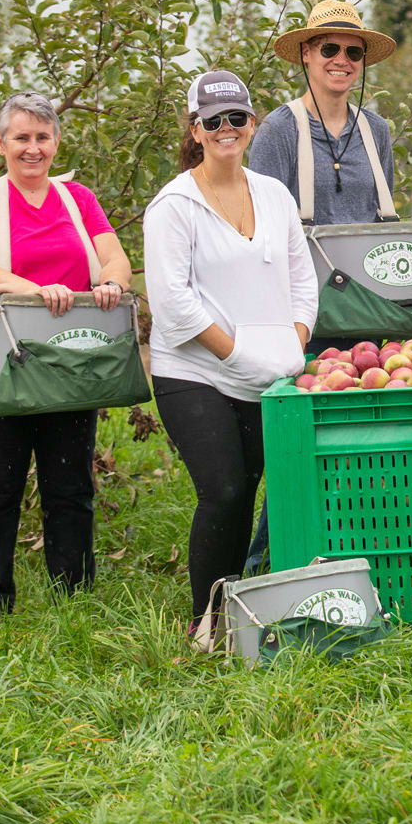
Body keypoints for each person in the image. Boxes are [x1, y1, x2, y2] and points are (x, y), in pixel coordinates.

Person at [143, 71, 317, 638]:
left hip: (268, 371)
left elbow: (302, 280)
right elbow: (174, 307)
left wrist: (290, 345)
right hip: (194, 372)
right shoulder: (174, 205)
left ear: (251, 123)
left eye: (236, 118)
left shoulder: (273, 194)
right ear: (193, 130)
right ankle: (205, 624)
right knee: (223, 489)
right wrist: (241, 354)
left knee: (249, 491)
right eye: (212, 120)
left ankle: (235, 611)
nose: (225, 129)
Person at [0, 91, 133, 614]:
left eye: (42, 138)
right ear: (0, 143)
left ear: (56, 142)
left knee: (70, 485)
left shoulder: (78, 199)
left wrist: (111, 287)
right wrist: (37, 288)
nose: (33, 149)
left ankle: (73, 598)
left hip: (69, 364)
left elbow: (114, 258)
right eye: (21, 138)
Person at [243, 0, 399, 576]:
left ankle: (359, 559)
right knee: (299, 445)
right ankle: (266, 562)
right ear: (305, 54)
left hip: (370, 310)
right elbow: (260, 226)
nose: (341, 60)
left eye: (352, 52)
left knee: (369, 443)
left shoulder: (375, 129)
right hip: (303, 312)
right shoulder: (279, 130)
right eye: (328, 48)